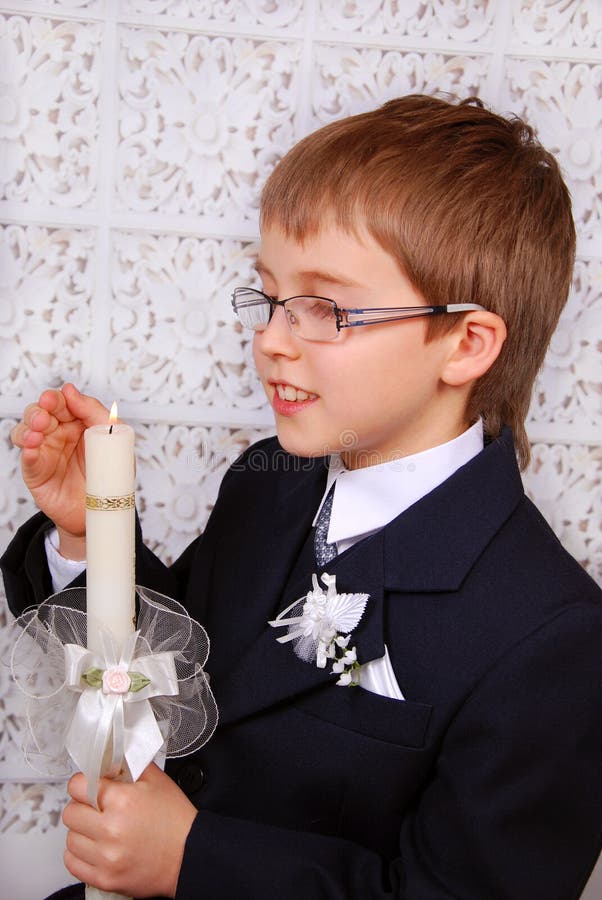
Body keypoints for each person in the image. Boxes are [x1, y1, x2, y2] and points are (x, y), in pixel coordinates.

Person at [2, 94, 601, 900]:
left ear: (465, 344)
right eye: (270, 294)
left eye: (326, 308)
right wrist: (91, 536)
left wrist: (192, 857)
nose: (271, 340)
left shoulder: (554, 638)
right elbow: (177, 671)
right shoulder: (269, 481)